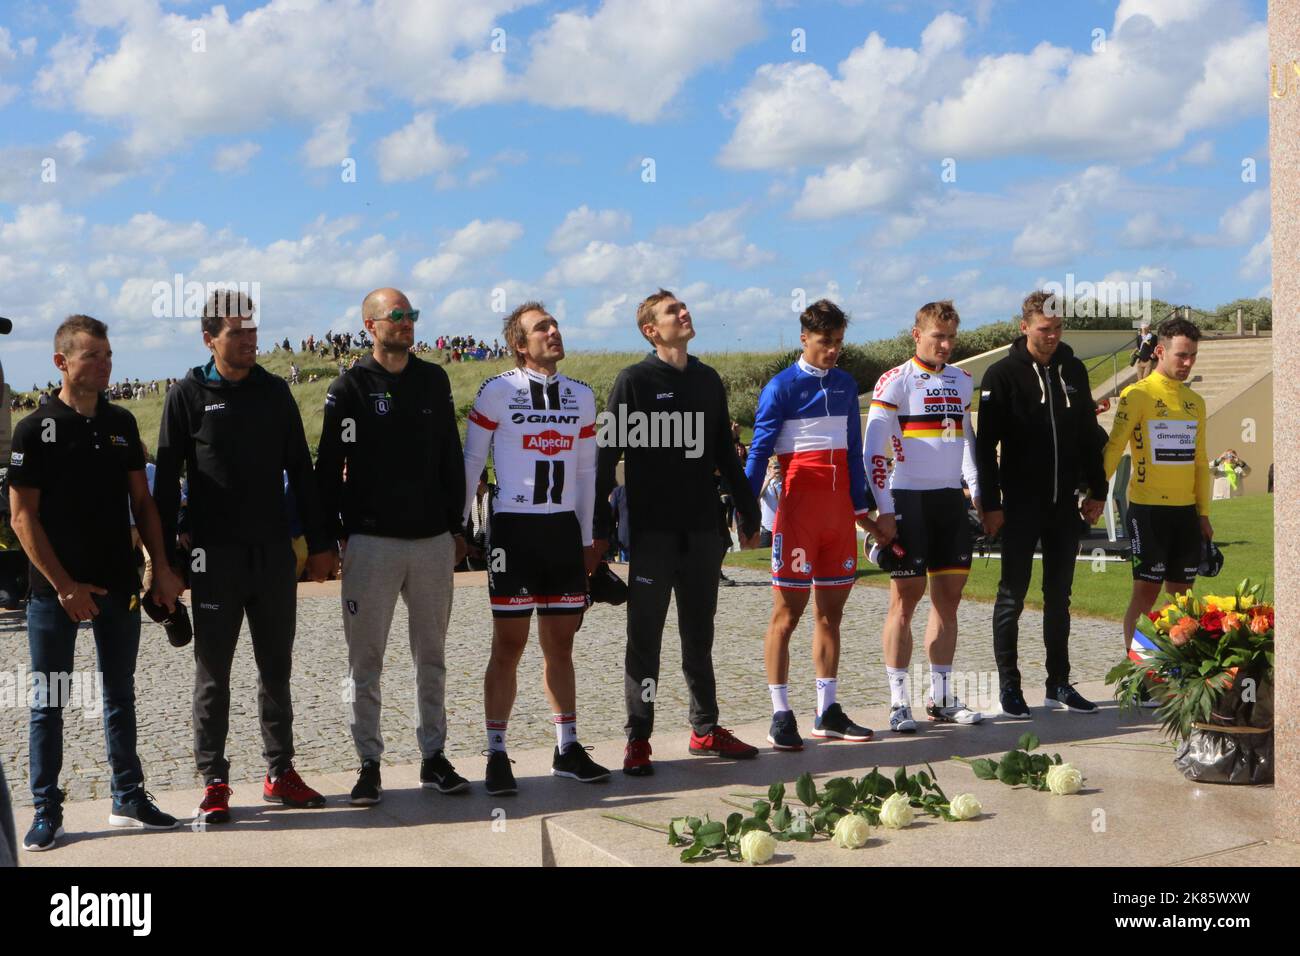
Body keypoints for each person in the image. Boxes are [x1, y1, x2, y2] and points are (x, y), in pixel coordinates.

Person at [154, 290, 336, 824]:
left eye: (254, 331)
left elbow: (301, 470)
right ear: (210, 338)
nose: (252, 340)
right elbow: (165, 486)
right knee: (214, 674)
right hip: (214, 559)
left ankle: (280, 772)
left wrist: (320, 544)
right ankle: (214, 780)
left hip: (274, 554)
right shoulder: (186, 394)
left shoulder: (275, 392)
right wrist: (163, 562)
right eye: (239, 333)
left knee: (275, 669)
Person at [9, 315, 186, 851]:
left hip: (118, 582)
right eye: (93, 356)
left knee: (119, 693)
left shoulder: (122, 423)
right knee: (50, 700)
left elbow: (143, 503)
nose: (105, 365)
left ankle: (127, 797)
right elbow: (21, 519)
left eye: (108, 355)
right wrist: (65, 586)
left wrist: (162, 569)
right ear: (61, 362)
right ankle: (45, 811)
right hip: (53, 593)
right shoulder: (34, 429)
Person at [594, 289, 762, 777]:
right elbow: (607, 455)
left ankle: (704, 729)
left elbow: (725, 455)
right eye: (673, 311)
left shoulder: (708, 380)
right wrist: (601, 528)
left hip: (702, 530)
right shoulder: (634, 381)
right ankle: (638, 738)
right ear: (651, 329)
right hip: (652, 532)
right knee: (645, 637)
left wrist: (747, 508)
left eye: (684, 308)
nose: (684, 314)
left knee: (699, 634)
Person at [316, 288, 470, 805]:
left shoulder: (434, 379)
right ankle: (369, 763)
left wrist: (457, 527)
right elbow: (326, 468)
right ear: (370, 325)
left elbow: (452, 455)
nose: (405, 324)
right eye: (396, 316)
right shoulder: (349, 387)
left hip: (430, 541)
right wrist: (332, 536)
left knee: (432, 656)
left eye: (411, 316)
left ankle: (434, 757)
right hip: (372, 542)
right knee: (367, 661)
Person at [462, 302, 608, 795]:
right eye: (541, 327)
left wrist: (587, 538)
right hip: (514, 529)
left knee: (561, 643)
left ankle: (567, 747)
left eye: (555, 324)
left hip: (563, 530)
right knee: (509, 643)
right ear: (520, 344)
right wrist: (459, 528)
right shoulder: (497, 390)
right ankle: (497, 752)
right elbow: (471, 462)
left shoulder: (583, 397)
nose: (553, 331)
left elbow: (588, 473)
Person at [745, 299, 877, 750]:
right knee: (787, 615)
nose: (833, 352)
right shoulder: (780, 388)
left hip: (838, 517)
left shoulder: (845, 384)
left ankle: (827, 710)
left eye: (839, 343)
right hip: (798, 516)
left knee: (830, 615)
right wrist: (745, 507)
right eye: (825, 343)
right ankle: (781, 713)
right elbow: (759, 451)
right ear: (804, 338)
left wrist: (863, 511)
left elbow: (856, 454)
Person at [974, 291, 1110, 719]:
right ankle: (1010, 688)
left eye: (1056, 329)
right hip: (1018, 504)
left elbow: (1089, 433)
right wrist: (991, 504)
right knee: (1012, 596)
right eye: (1042, 329)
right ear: (1024, 327)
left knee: (1059, 597)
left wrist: (1098, 490)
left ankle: (1058, 684)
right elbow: (984, 446)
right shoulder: (1002, 374)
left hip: (1063, 504)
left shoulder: (1073, 368)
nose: (1051, 336)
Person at [864, 300, 984, 733]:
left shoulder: (962, 381)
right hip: (909, 498)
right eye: (938, 336)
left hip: (949, 501)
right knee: (904, 601)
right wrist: (886, 509)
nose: (947, 345)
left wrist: (979, 494)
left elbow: (966, 442)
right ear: (917, 334)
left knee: (948, 602)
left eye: (952, 337)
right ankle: (898, 702)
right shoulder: (895, 381)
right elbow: (872, 451)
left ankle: (941, 697)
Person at [1103, 317, 1211, 662]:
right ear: (1160, 351)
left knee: (1181, 598)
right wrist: (1094, 495)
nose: (1188, 362)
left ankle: (1172, 666)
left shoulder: (1195, 401)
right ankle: (1141, 669)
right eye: (1181, 355)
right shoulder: (1138, 394)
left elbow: (1200, 462)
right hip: (1148, 510)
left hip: (1185, 512)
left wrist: (1204, 514)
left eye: (1193, 355)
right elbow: (1114, 447)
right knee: (1145, 593)